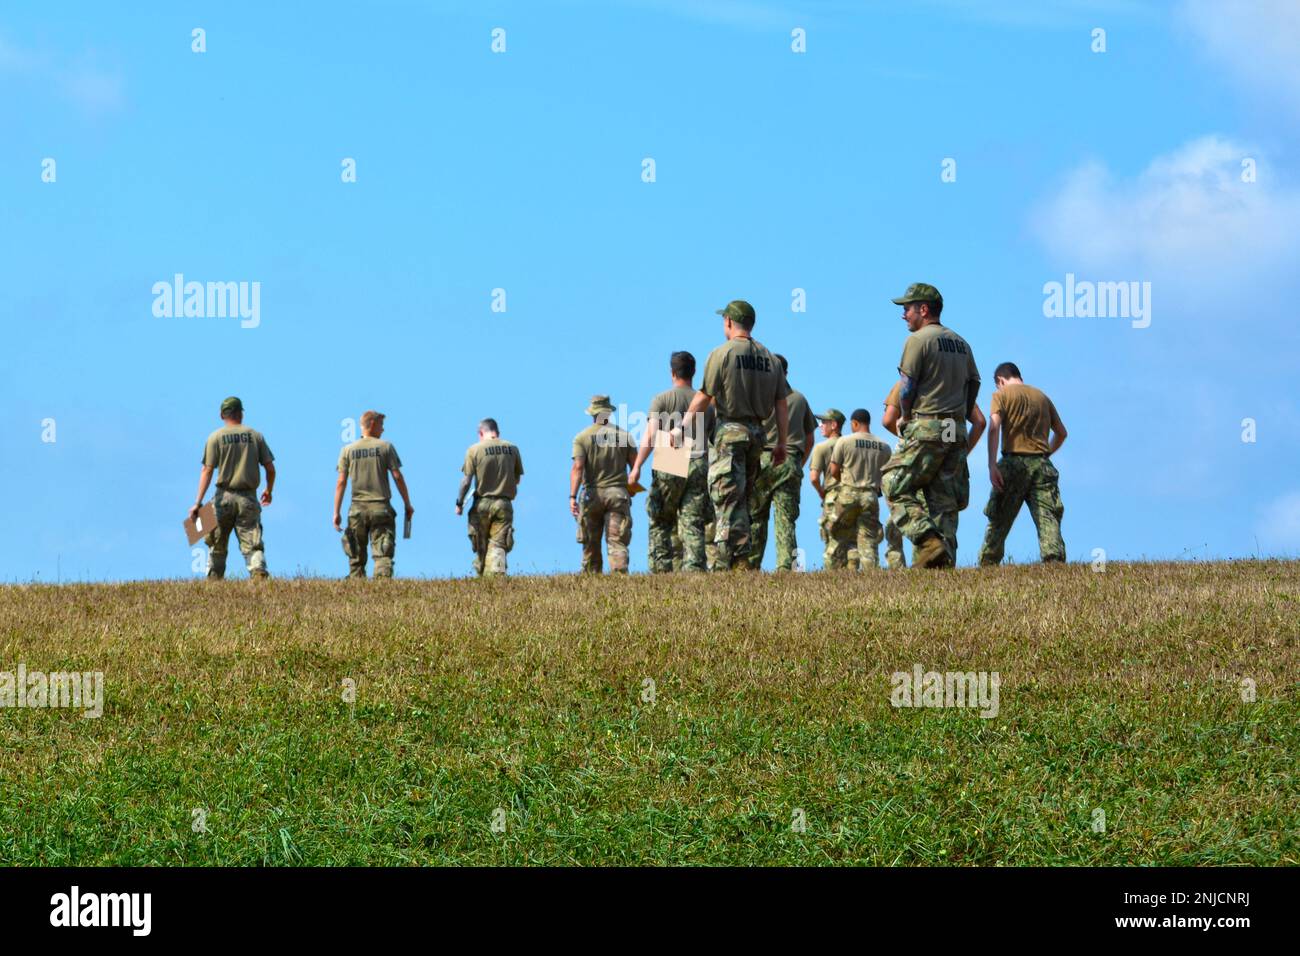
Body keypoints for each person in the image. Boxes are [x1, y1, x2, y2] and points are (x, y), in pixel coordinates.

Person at [681, 300, 790, 570]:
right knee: (743, 499)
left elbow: (704, 397)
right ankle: (741, 561)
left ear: (729, 321)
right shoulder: (770, 358)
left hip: (730, 433)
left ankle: (727, 565)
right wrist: (782, 444)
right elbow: (781, 404)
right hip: (758, 435)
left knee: (726, 499)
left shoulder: (722, 353)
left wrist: (681, 427)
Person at [881, 283, 980, 569]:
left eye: (907, 309)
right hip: (954, 427)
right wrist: (961, 412)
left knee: (892, 483)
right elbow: (974, 383)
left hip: (929, 425)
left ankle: (927, 541)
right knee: (944, 501)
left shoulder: (918, 340)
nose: (903, 315)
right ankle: (941, 564)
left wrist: (907, 415)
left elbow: (907, 386)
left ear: (923, 310)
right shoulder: (962, 343)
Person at [629, 352, 714, 573]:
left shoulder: (661, 399)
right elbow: (714, 438)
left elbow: (649, 435)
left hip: (670, 456)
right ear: (693, 372)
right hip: (698, 460)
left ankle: (661, 570)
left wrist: (637, 466)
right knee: (693, 521)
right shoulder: (706, 403)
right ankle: (695, 571)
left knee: (660, 519)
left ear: (672, 372)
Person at [978, 363, 1067, 565]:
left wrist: (992, 465)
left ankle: (988, 564)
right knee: (1048, 517)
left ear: (1000, 381)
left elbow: (993, 428)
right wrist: (1045, 454)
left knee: (999, 519)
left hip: (1013, 463)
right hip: (1042, 465)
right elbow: (1061, 433)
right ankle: (1054, 563)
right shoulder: (1042, 397)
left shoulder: (1001, 396)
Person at [189, 396, 275, 580]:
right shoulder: (255, 436)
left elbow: (207, 470)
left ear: (222, 415)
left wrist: (198, 503)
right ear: (241, 414)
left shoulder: (215, 437)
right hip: (248, 499)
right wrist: (268, 490)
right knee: (253, 544)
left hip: (222, 499)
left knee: (216, 545)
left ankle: (214, 581)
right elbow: (270, 468)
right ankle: (259, 574)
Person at [748, 355, 815, 571]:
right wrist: (798, 464)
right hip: (791, 459)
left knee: (756, 517)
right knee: (786, 519)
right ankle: (787, 568)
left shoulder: (759, 397)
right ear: (786, 372)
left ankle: (751, 565)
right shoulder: (800, 399)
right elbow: (810, 438)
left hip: (763, 460)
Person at [334, 410, 412, 578]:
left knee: (356, 558)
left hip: (357, 510)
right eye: (381, 425)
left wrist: (336, 512)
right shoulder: (386, 447)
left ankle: (356, 592)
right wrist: (407, 503)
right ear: (373, 424)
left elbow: (341, 482)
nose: (383, 430)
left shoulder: (347, 450)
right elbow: (397, 476)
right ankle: (382, 589)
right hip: (381, 509)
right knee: (383, 555)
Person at [571, 395, 636, 573]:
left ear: (592, 413)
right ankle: (620, 579)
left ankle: (592, 579)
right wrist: (630, 488)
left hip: (592, 495)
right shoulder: (624, 436)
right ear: (609, 412)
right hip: (618, 495)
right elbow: (635, 466)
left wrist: (572, 497)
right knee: (617, 541)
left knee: (590, 543)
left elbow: (578, 468)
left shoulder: (582, 438)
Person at [824, 409, 892, 569]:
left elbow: (833, 470)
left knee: (838, 533)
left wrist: (846, 482)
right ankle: (871, 574)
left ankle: (837, 571)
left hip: (848, 493)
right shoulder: (884, 446)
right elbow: (888, 474)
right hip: (871, 496)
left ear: (854, 423)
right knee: (868, 538)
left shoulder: (844, 442)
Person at [457, 417, 523, 576]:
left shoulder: (474, 450)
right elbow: (517, 478)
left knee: (481, 549)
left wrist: (459, 502)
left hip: (481, 505)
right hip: (503, 504)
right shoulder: (512, 448)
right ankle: (496, 582)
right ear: (497, 432)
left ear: (481, 433)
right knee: (498, 547)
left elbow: (466, 481)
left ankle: (482, 582)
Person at [809, 408, 859, 567]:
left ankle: (835, 577)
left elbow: (814, 478)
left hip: (832, 498)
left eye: (824, 422)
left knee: (833, 540)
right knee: (852, 540)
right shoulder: (852, 445)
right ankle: (854, 573)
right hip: (853, 496)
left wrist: (821, 492)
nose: (820, 425)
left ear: (834, 425)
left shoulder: (821, 448)